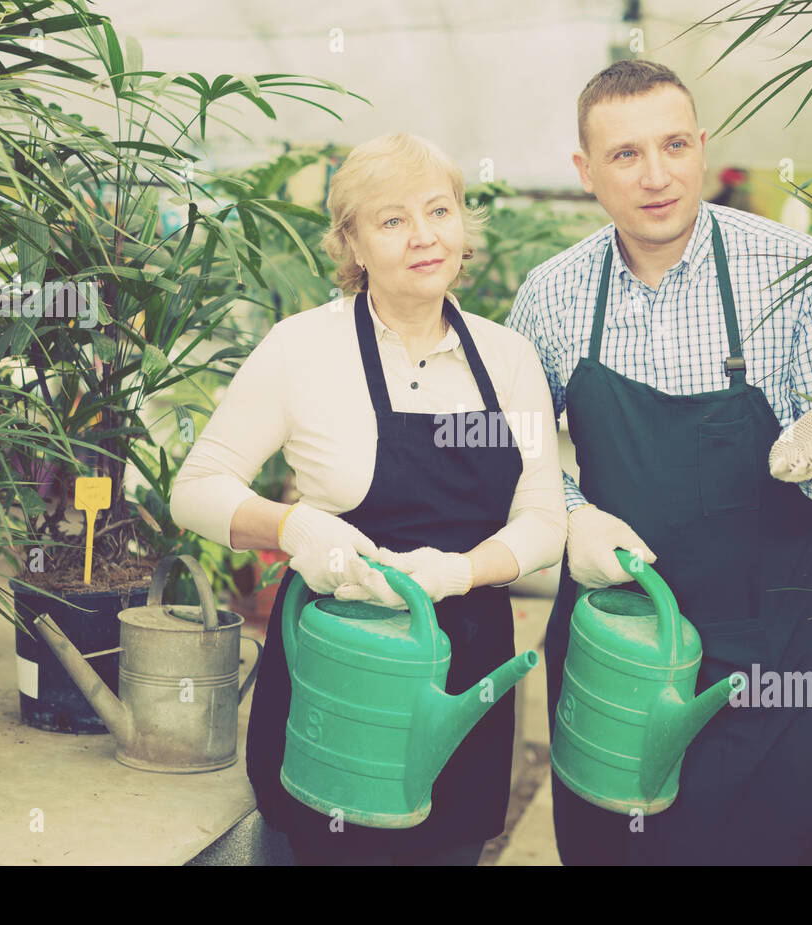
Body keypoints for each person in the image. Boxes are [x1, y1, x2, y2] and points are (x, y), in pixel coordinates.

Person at [506, 60, 812, 865]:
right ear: (584, 172)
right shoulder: (551, 296)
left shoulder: (795, 272)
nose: (657, 176)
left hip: (768, 645)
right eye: (625, 155)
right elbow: (515, 452)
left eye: (674, 144)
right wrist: (572, 514)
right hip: (617, 643)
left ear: (703, 148)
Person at [170, 132, 565, 865]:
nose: (424, 236)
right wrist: (295, 526)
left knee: (447, 846)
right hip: (335, 662)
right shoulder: (302, 349)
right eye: (391, 220)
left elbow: (544, 517)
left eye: (439, 210)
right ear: (350, 241)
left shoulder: (507, 359)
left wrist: (458, 571)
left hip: (466, 664)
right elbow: (194, 490)